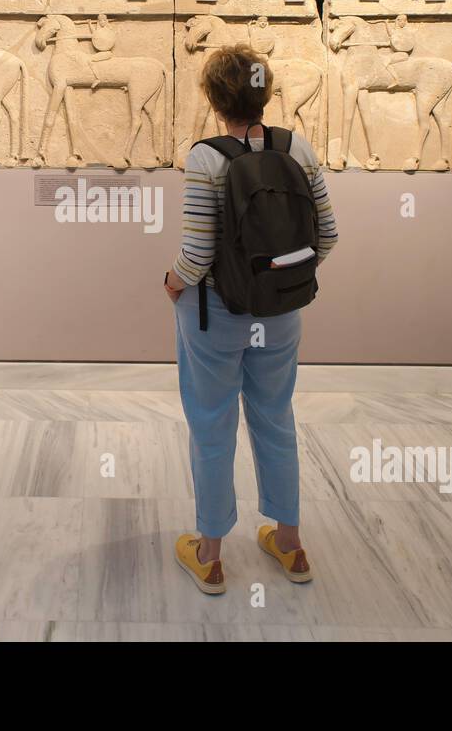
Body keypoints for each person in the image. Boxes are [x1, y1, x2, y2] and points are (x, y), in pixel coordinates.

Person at [164, 44, 339, 594]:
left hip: (217, 313)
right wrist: (281, 282)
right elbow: (327, 236)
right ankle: (289, 544)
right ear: (265, 94)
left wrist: (170, 284)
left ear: (214, 99)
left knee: (212, 423)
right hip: (281, 312)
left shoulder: (206, 158)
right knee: (276, 418)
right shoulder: (299, 147)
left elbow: (195, 254)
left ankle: (211, 556)